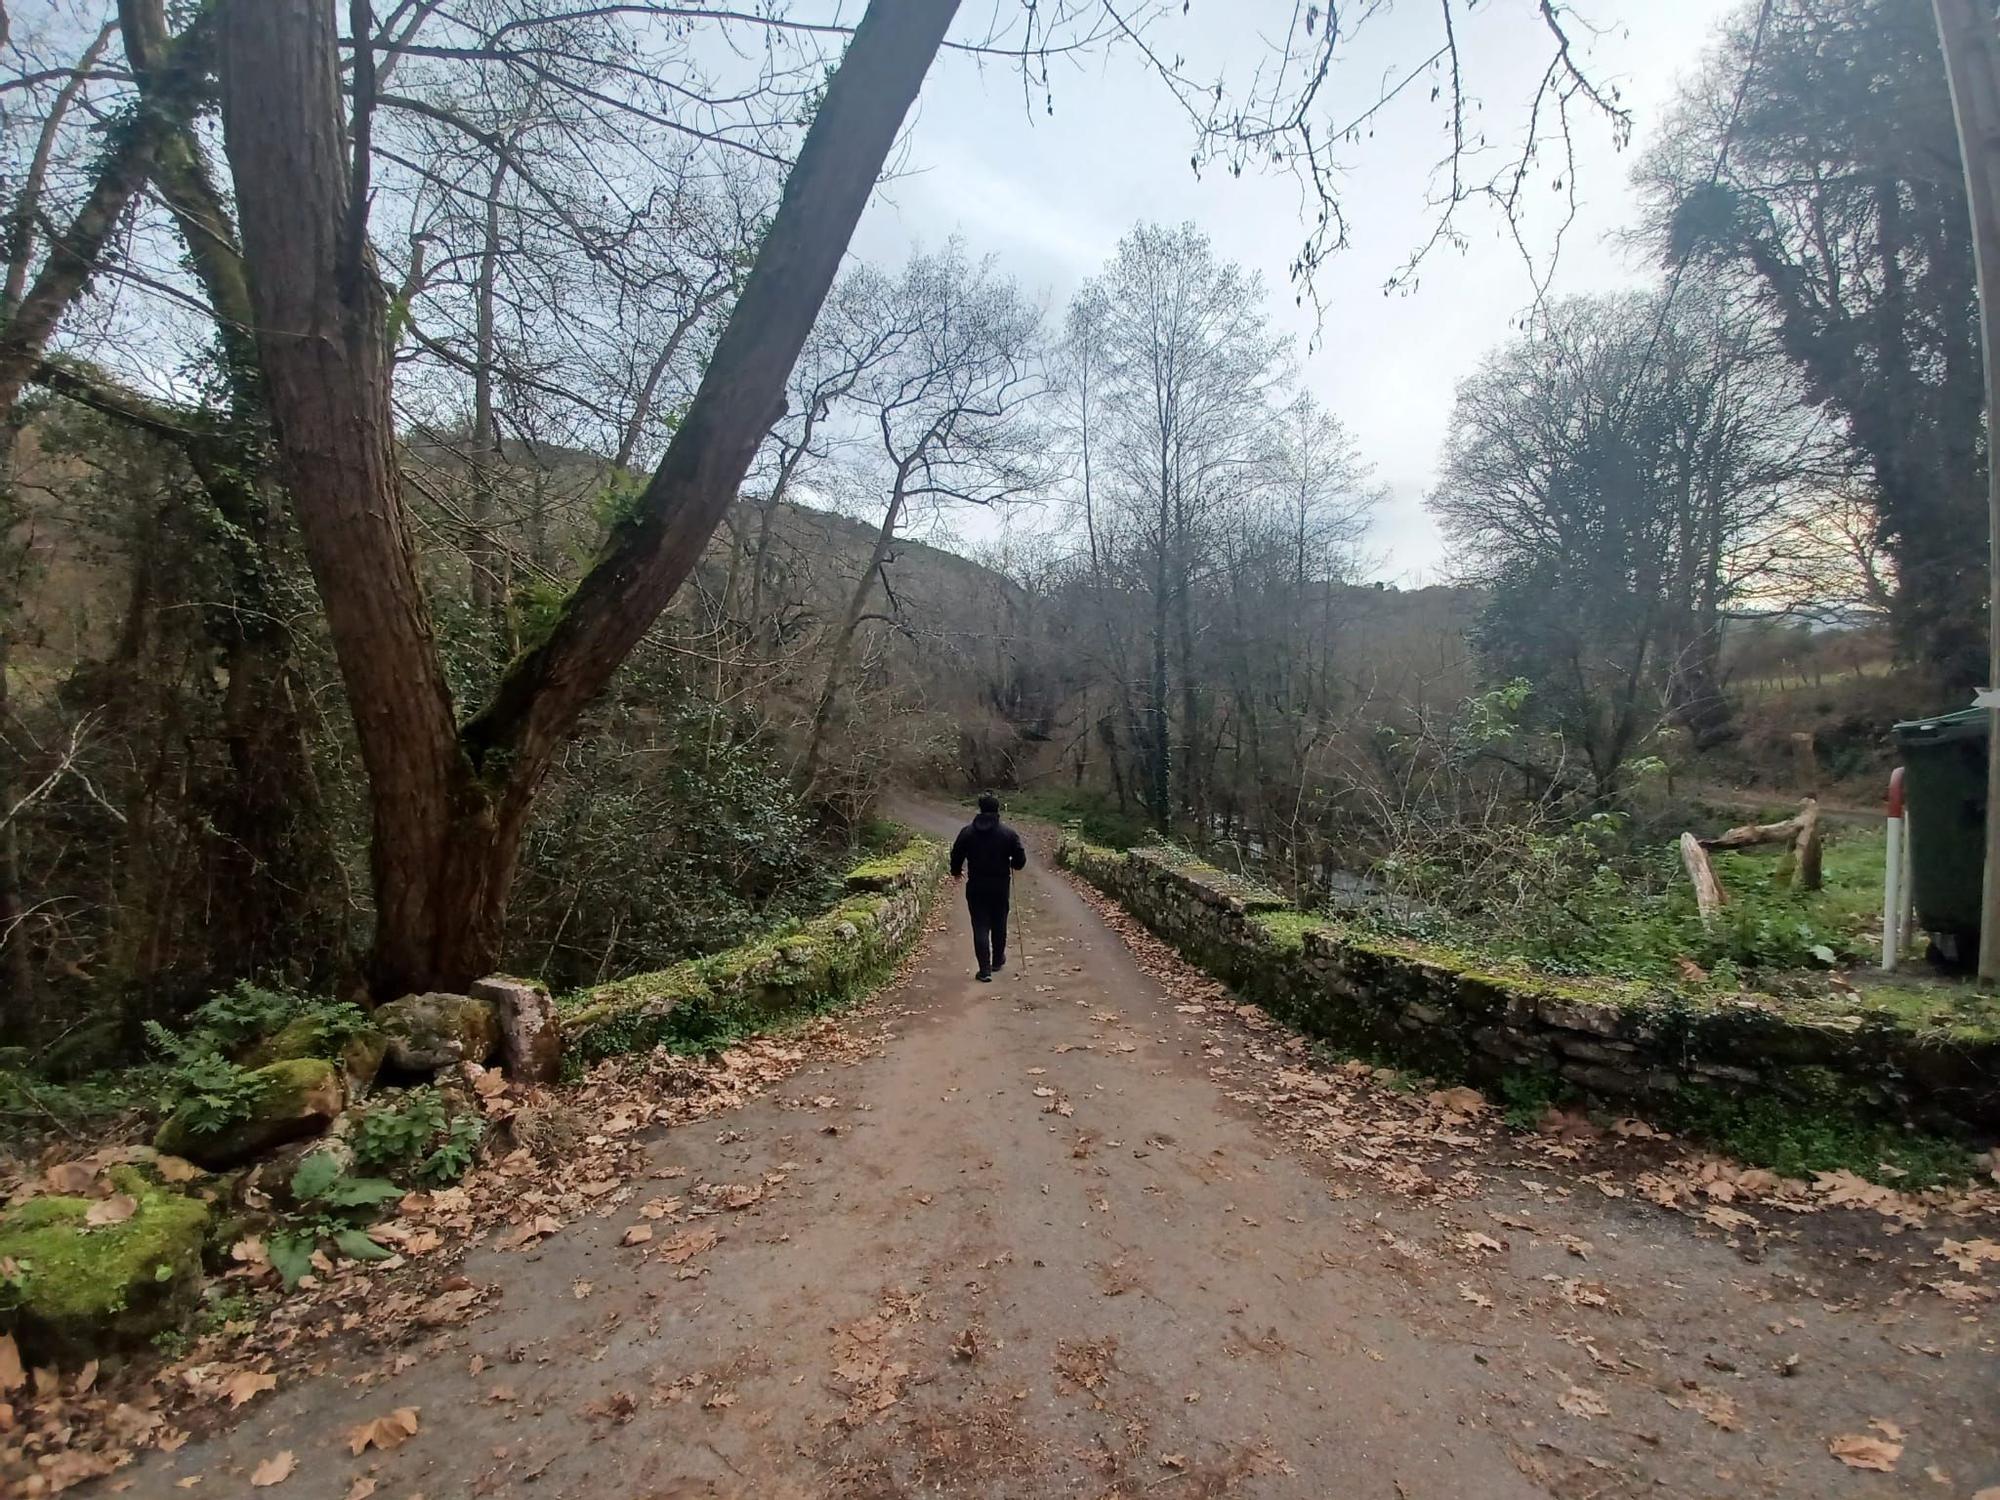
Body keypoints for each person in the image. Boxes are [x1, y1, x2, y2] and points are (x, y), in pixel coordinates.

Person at [949, 792, 1027, 981]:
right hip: (1000, 885)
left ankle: (984, 970)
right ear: (997, 809)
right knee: (999, 922)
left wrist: (956, 871)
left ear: (980, 808)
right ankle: (998, 960)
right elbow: (1020, 860)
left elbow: (956, 854)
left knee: (980, 925)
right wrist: (1013, 863)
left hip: (976, 885)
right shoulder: (1008, 833)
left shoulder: (967, 832)